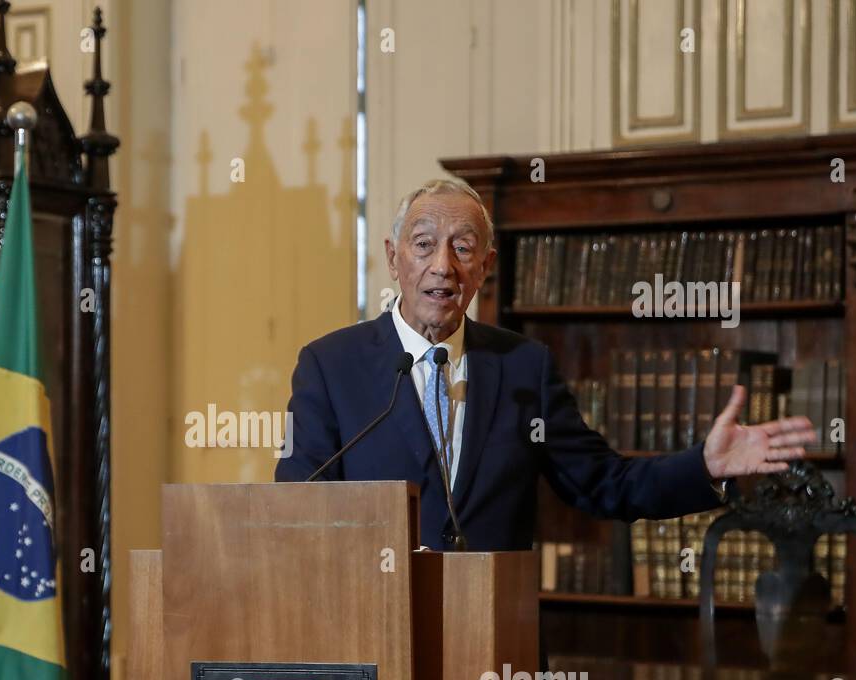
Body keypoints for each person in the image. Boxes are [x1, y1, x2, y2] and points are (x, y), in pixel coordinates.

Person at [274, 178, 817, 552]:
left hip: (493, 653)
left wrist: (705, 465)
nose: (443, 266)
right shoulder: (330, 367)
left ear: (484, 266)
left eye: (463, 249)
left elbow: (605, 484)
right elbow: (297, 516)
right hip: (375, 647)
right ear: (394, 258)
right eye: (423, 245)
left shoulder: (521, 368)